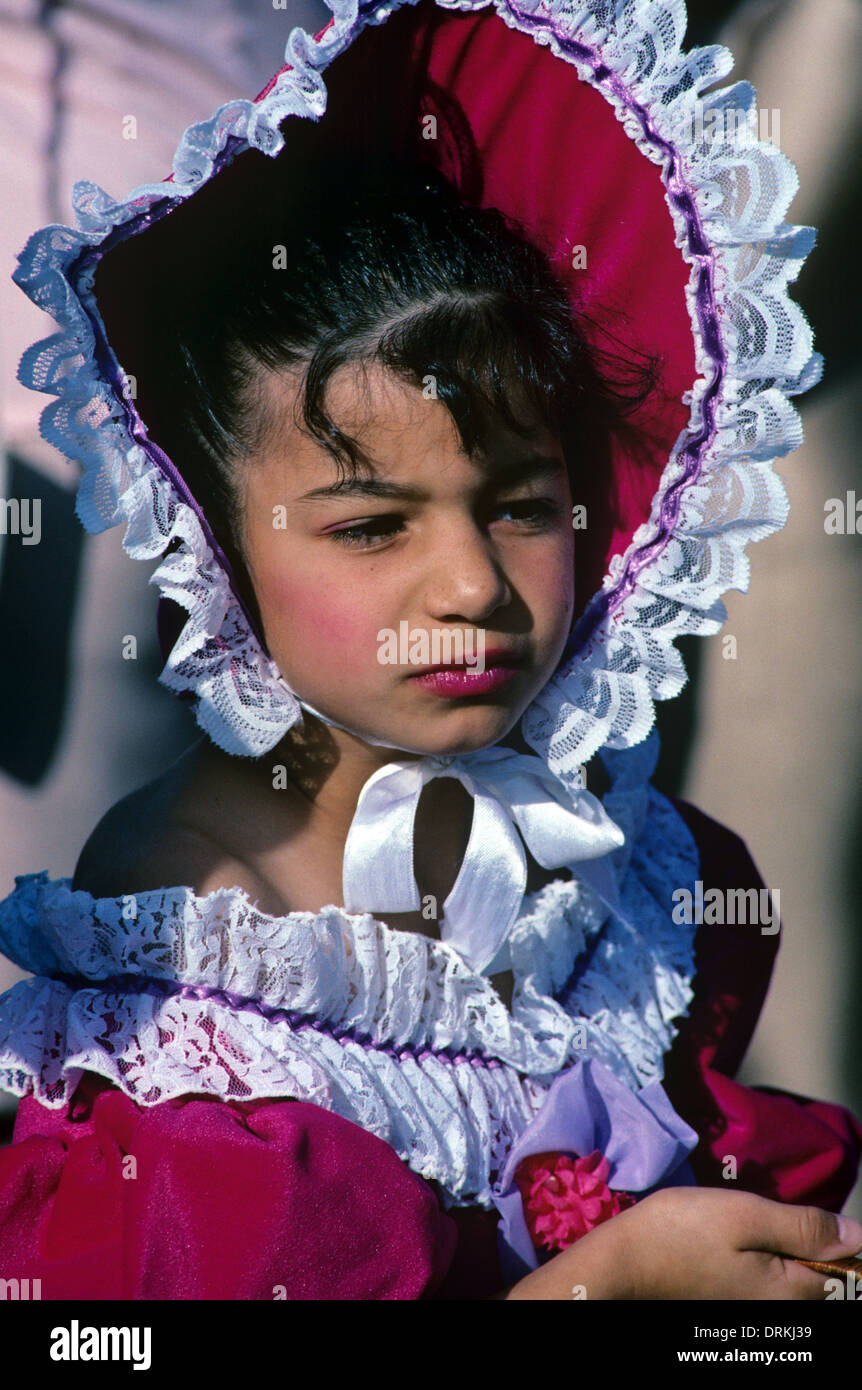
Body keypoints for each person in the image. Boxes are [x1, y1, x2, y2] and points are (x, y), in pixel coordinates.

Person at [0, 0, 860, 1301]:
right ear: (217, 543)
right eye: (369, 523)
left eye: (517, 502)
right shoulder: (206, 963)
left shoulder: (610, 868)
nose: (467, 584)